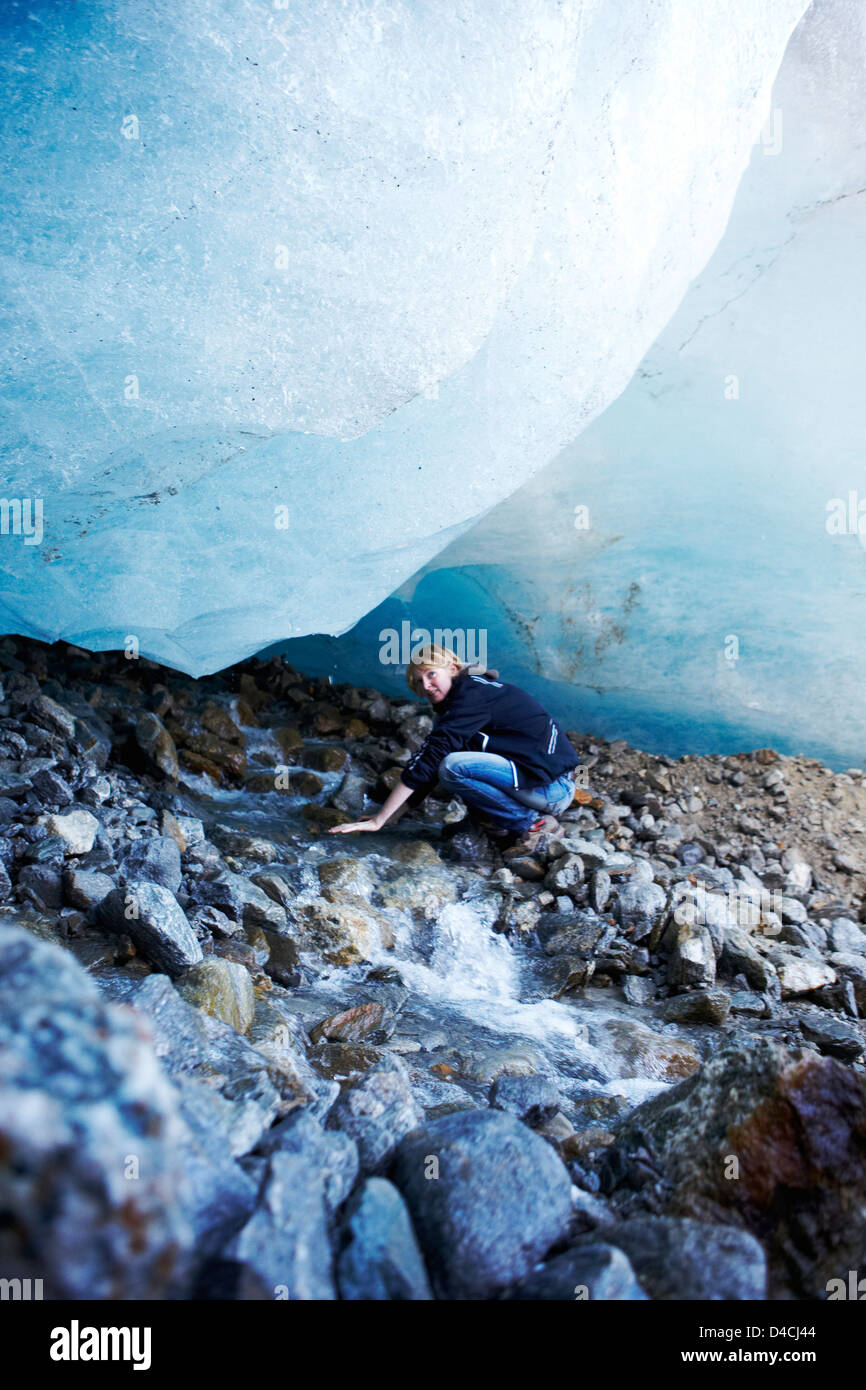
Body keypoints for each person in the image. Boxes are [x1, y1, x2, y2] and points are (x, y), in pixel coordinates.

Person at [329, 642, 580, 851]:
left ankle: (532, 824)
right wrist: (393, 814)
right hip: (535, 782)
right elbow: (429, 765)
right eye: (418, 682)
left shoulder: (472, 695)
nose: (425, 685)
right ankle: (493, 825)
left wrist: (379, 820)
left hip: (553, 788)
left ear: (451, 668)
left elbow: (433, 757)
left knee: (454, 767)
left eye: (431, 674)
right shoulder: (462, 700)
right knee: (451, 764)